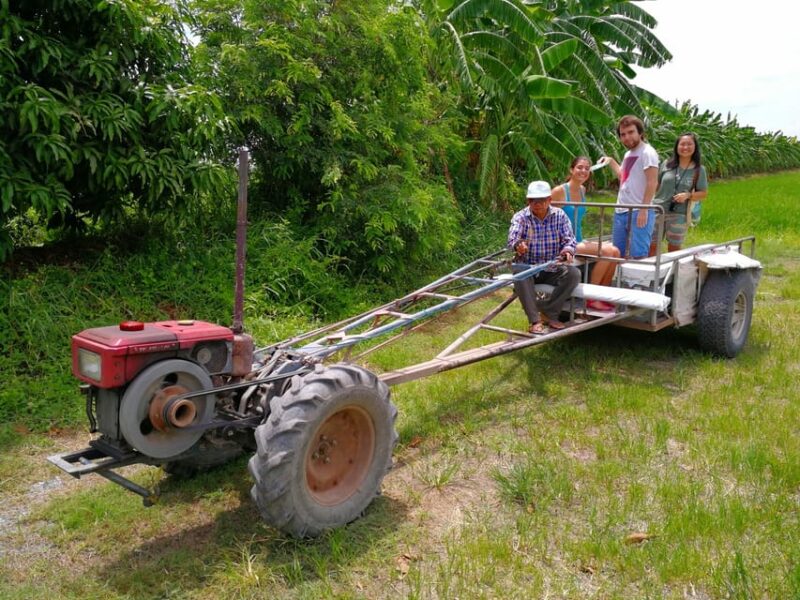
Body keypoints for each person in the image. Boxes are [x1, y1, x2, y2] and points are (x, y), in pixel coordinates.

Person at [508, 180, 580, 334]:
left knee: (573, 274)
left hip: (551, 267)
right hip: (528, 267)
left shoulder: (559, 215)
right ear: (528, 201)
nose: (537, 204)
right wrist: (519, 245)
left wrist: (567, 251)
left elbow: (570, 239)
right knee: (519, 273)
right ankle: (534, 320)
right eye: (532, 200)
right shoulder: (521, 217)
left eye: (541, 200)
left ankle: (549, 313)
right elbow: (513, 238)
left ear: (549, 200)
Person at [551, 156, 621, 311]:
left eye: (587, 168)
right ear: (571, 170)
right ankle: (591, 298)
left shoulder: (582, 190)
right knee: (606, 251)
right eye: (580, 167)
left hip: (578, 239)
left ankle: (603, 295)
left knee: (615, 251)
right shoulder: (559, 191)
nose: (583, 171)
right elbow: (543, 215)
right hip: (564, 243)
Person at [600, 115, 659, 259]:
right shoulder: (628, 154)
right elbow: (623, 176)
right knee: (616, 252)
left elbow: (652, 182)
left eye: (631, 132)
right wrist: (611, 161)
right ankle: (619, 279)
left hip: (639, 209)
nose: (627, 137)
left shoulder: (647, 152)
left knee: (638, 253)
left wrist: (644, 209)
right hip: (621, 210)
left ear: (640, 132)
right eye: (623, 134)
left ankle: (636, 282)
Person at [650, 132, 708, 255]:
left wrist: (688, 195)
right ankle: (653, 273)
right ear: (677, 147)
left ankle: (672, 273)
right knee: (651, 245)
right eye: (682, 144)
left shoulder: (699, 169)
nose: (685, 147)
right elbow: (657, 184)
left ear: (695, 147)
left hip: (679, 214)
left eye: (689, 144)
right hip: (657, 210)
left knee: (674, 248)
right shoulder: (666, 164)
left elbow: (703, 193)